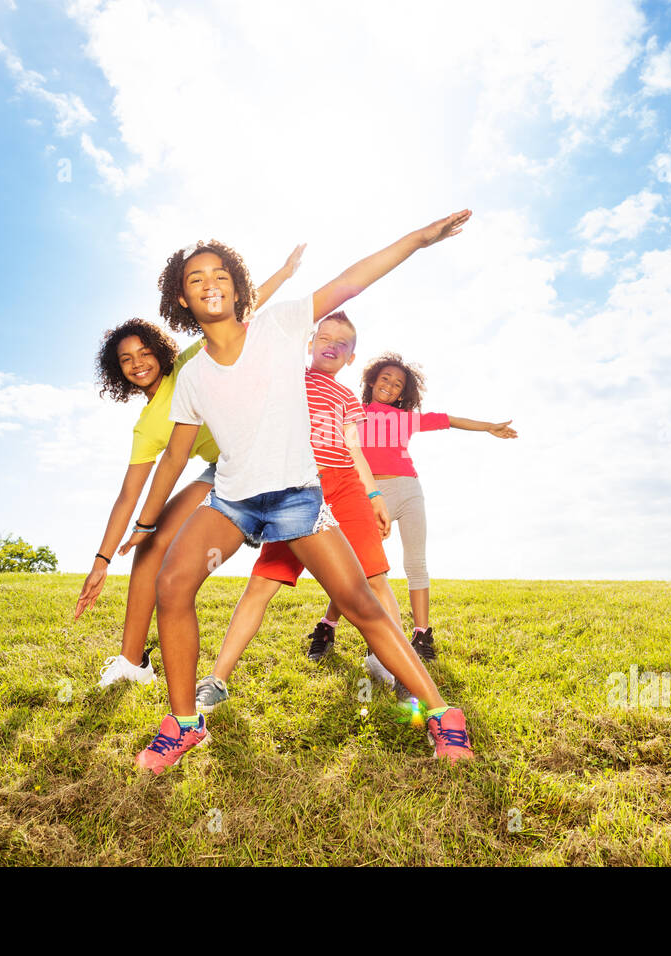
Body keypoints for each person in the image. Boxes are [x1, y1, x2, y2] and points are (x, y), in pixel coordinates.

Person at [121, 210, 477, 772]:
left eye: (220, 273)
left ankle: (440, 714)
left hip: (294, 497)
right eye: (195, 279)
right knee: (172, 581)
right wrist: (145, 523)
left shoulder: (280, 325)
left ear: (239, 287)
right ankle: (185, 724)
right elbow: (176, 453)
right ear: (182, 300)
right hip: (233, 500)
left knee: (361, 604)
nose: (209, 282)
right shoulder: (190, 377)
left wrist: (418, 239)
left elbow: (352, 278)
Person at [73, 246, 305, 687]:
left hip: (269, 460)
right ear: (117, 371)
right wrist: (102, 560)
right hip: (221, 471)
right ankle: (132, 663)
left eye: (144, 352)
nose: (138, 363)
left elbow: (243, 307)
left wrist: (285, 273)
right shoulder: (146, 428)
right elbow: (129, 494)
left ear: (161, 351)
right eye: (126, 360)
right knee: (149, 545)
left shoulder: (187, 366)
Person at [193, 310, 403, 715]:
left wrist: (374, 495)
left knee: (374, 579)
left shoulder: (345, 398)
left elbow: (354, 448)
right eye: (324, 337)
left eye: (342, 344)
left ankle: (393, 670)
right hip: (295, 492)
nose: (331, 346)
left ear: (351, 358)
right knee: (260, 586)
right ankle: (217, 680)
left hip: (344, 487)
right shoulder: (286, 380)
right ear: (309, 343)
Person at [316, 353, 516, 677]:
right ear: (371, 381)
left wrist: (489, 427)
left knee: (416, 562)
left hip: (408, 489)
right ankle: (328, 626)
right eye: (386, 379)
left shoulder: (407, 419)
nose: (391, 386)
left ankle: (421, 635)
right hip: (368, 494)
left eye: (397, 385)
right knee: (360, 567)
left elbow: (449, 420)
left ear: (401, 393)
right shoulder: (353, 413)